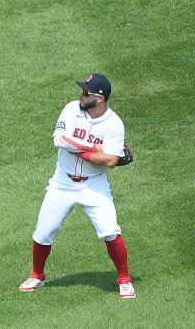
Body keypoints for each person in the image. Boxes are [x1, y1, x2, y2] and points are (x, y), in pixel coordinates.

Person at [20, 73, 133, 298]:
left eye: (85, 92)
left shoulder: (114, 124)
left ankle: (125, 280)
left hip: (94, 185)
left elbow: (110, 161)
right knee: (43, 232)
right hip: (62, 181)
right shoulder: (72, 109)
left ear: (99, 98)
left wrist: (81, 151)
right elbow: (58, 140)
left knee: (110, 231)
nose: (80, 95)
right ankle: (37, 275)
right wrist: (95, 149)